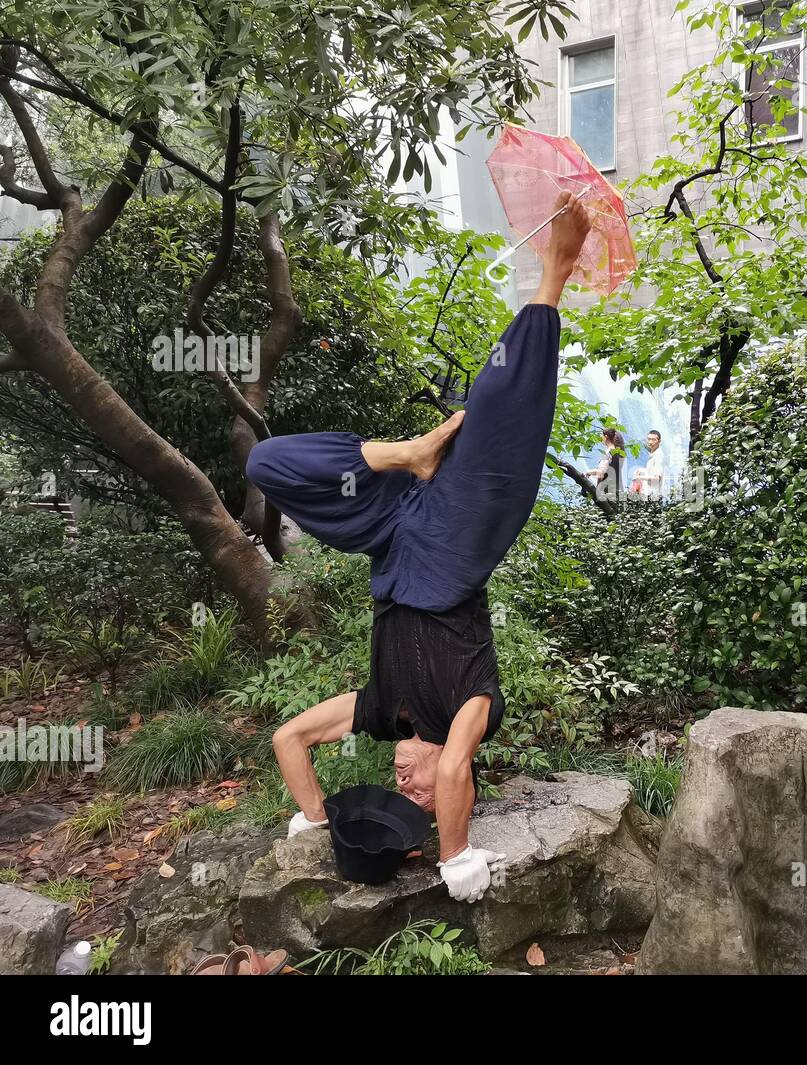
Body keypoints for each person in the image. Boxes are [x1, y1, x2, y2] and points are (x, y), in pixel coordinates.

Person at [244, 191, 593, 904]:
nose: (408, 781)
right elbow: (458, 764)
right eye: (421, 786)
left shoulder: (379, 710)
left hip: (392, 535)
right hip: (457, 539)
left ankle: (406, 451)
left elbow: (289, 739)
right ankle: (557, 268)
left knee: (266, 465)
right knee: (498, 404)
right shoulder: (474, 709)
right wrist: (455, 853)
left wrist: (316, 822)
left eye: (404, 785)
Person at [585, 427, 625, 501]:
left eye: (601, 436)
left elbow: (601, 472)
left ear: (606, 437)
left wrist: (589, 472)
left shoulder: (608, 452)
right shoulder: (619, 452)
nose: (601, 438)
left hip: (606, 489)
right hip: (618, 488)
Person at [632, 429, 665, 499]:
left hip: (653, 496)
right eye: (649, 439)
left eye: (653, 440)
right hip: (649, 494)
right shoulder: (653, 454)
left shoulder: (658, 456)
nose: (650, 442)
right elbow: (652, 472)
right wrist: (642, 470)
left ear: (659, 441)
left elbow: (656, 478)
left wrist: (639, 478)